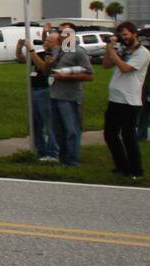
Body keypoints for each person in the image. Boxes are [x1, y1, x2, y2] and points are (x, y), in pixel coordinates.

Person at [102, 21, 150, 179]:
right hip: (115, 99)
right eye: (121, 35)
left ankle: (136, 170)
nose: (124, 38)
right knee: (110, 134)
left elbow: (125, 68)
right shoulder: (122, 50)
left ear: (135, 34)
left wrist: (114, 53)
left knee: (128, 136)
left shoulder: (143, 53)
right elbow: (106, 65)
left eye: (126, 34)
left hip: (130, 100)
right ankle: (121, 165)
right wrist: (110, 49)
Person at [48, 28, 94, 166]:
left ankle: (72, 160)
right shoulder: (58, 51)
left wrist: (65, 76)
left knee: (71, 130)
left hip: (70, 97)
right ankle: (63, 159)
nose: (63, 38)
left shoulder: (78, 52)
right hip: (55, 94)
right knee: (58, 130)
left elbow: (90, 75)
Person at [17, 29, 60, 161]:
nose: (45, 42)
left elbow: (43, 68)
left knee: (49, 123)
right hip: (34, 90)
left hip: (46, 90)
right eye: (46, 40)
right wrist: (19, 47)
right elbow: (22, 59)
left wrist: (31, 50)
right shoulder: (41, 53)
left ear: (57, 44)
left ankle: (52, 153)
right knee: (35, 123)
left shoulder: (56, 56)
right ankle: (40, 151)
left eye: (49, 41)